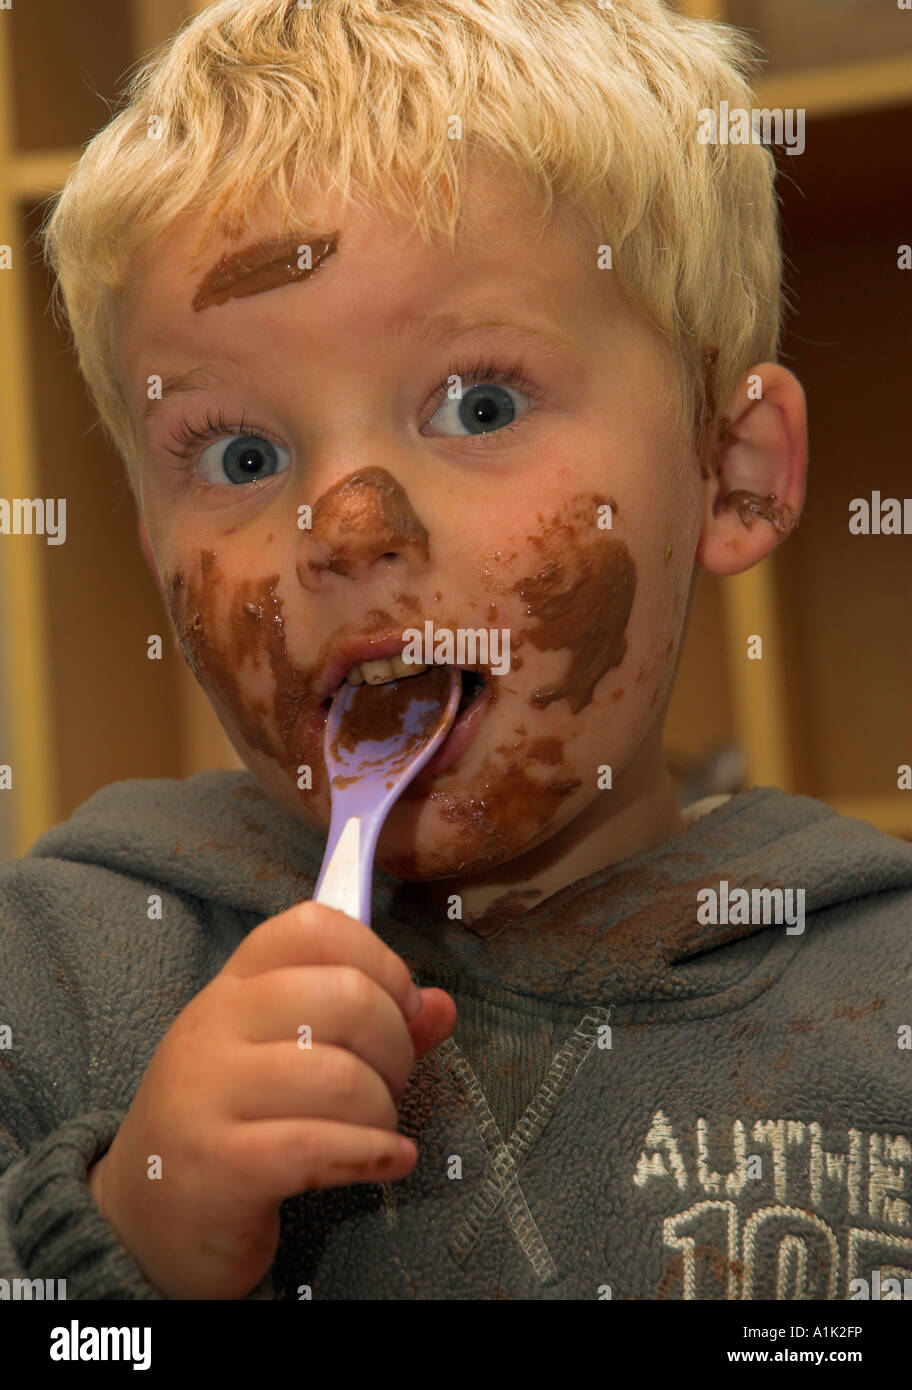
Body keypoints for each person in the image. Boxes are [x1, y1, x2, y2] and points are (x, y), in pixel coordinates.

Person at [2, 0, 909, 1300]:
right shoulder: (59, 973)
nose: (345, 527)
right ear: (148, 539)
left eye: (478, 403)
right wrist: (121, 1242)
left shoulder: (883, 998)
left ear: (731, 471)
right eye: (242, 455)